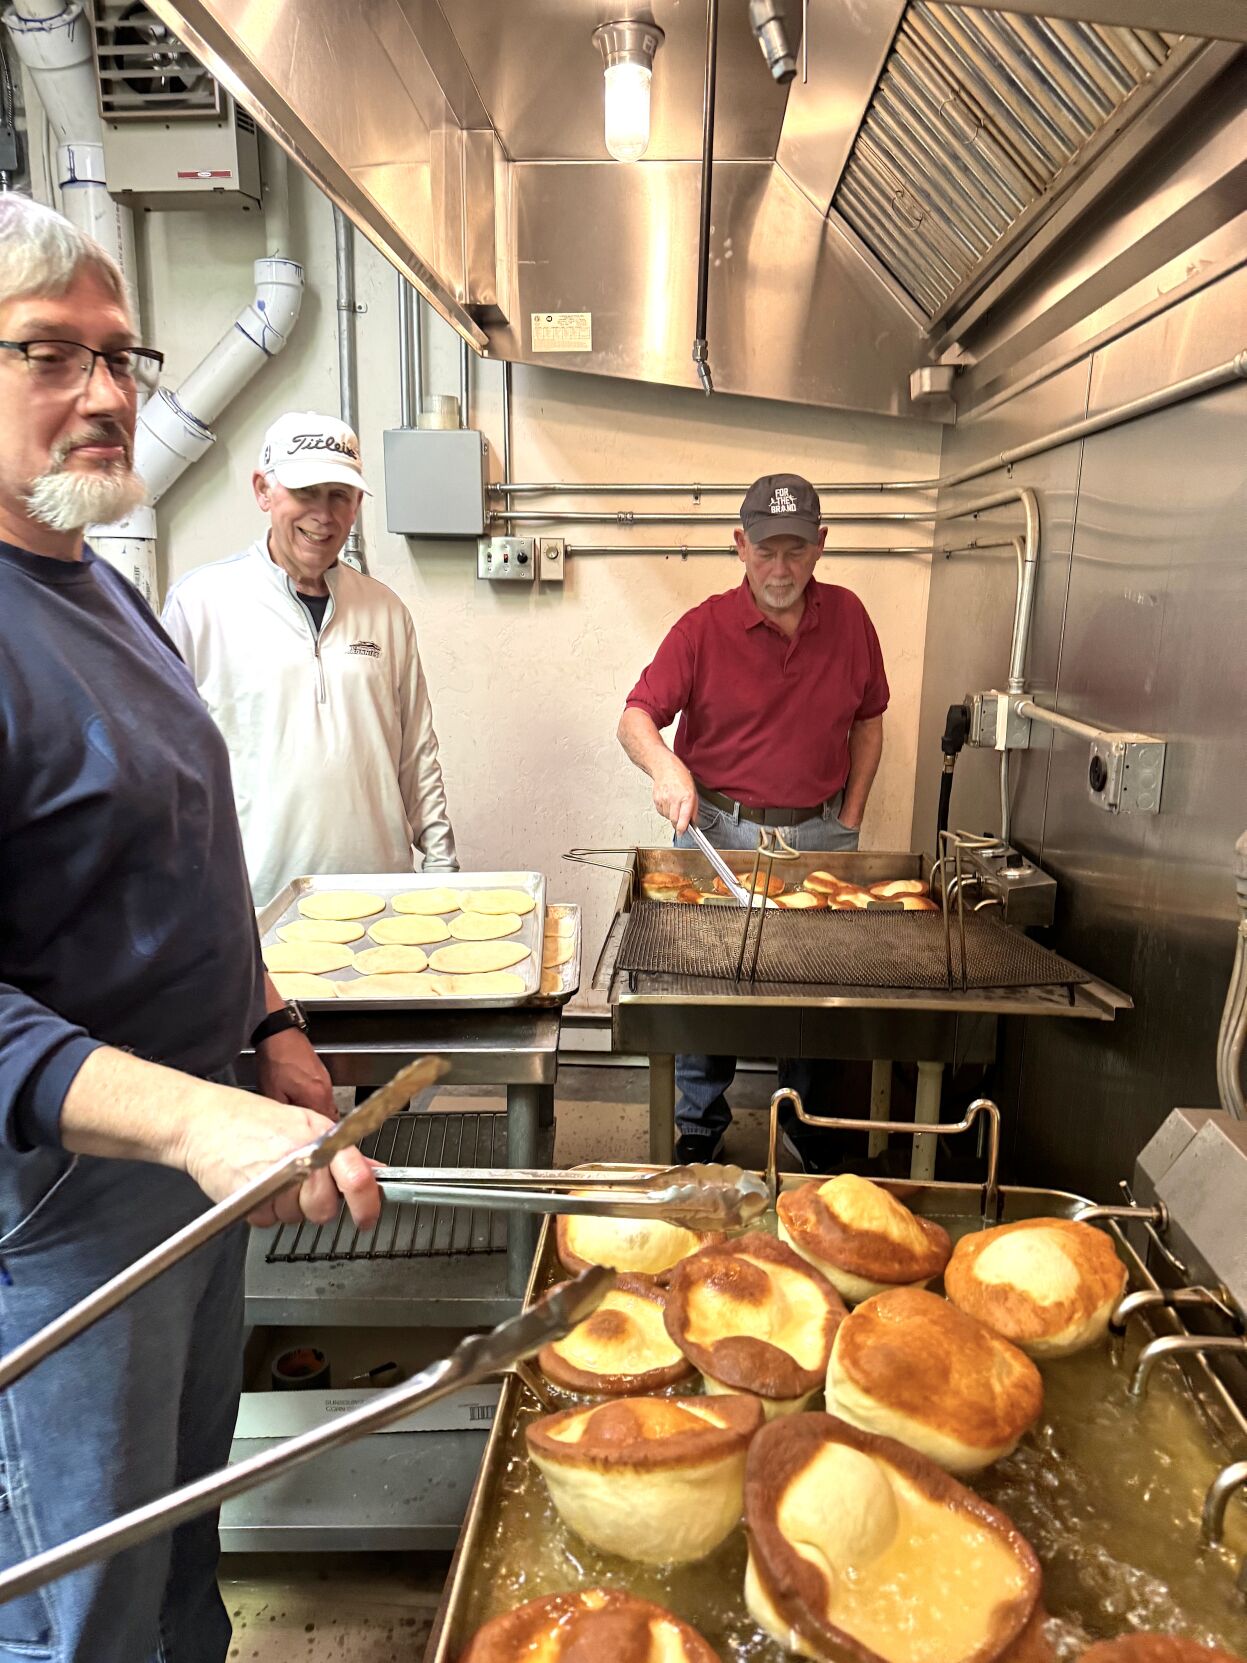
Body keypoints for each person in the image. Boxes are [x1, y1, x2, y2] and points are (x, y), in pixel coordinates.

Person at [0, 196, 381, 1663]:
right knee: (75, 1599)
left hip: (192, 1137)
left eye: (120, 354)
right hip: (60, 1201)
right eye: (50, 354)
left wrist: (270, 1023)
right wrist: (192, 1123)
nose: (106, 393)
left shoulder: (100, 586)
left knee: (174, 1538)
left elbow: (189, 855)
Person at [618, 473, 889, 1166]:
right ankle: (697, 1128)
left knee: (813, 986)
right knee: (711, 985)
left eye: (795, 549)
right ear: (740, 545)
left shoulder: (851, 618)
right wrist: (666, 768)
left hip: (818, 835)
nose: (780, 567)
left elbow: (868, 721)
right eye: (766, 549)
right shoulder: (703, 627)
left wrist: (849, 818)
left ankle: (807, 1126)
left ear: (820, 546)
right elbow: (635, 718)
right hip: (719, 835)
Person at [162, 411, 457, 908]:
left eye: (339, 495)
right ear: (263, 491)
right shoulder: (200, 606)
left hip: (384, 903)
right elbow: (167, 768)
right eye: (306, 492)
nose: (324, 515)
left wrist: (443, 870)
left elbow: (416, 756)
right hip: (254, 906)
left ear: (358, 502)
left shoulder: (385, 611)